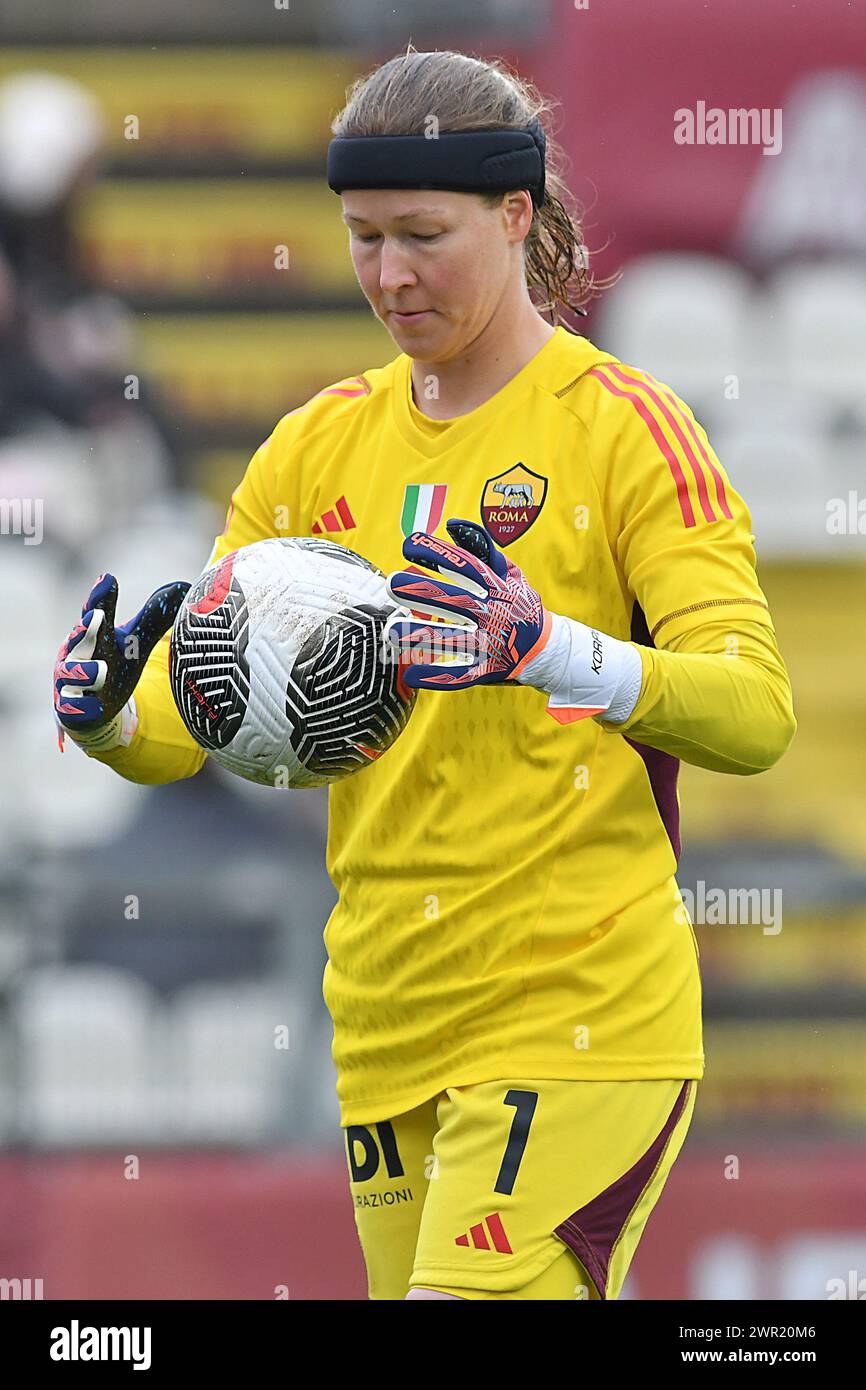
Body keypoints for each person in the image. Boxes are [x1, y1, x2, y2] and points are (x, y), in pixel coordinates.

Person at [53, 47, 796, 1300]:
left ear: (515, 218)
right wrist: (120, 713)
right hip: (388, 1020)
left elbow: (754, 710)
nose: (389, 275)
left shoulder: (623, 427)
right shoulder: (314, 445)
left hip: (578, 1017)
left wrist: (544, 647)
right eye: (360, 238)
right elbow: (199, 714)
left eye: (422, 235)